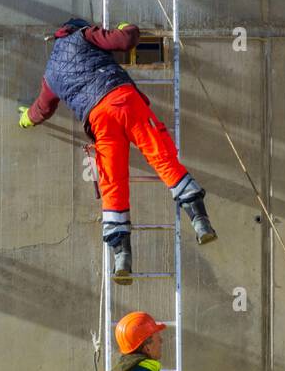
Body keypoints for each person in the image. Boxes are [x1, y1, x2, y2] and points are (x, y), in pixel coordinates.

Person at [19, 17, 217, 285]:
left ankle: (121, 257)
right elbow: (126, 41)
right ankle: (200, 221)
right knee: (162, 157)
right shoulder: (85, 36)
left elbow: (41, 109)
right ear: (76, 29)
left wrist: (26, 119)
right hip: (122, 100)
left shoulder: (51, 74)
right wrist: (126, 28)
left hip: (98, 119)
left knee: (113, 183)